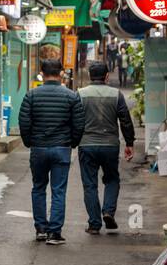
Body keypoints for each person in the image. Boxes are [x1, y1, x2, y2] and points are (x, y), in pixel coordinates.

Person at [18, 58, 83, 245]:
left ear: (42, 73)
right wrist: (72, 143)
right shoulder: (71, 96)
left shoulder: (31, 95)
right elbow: (78, 125)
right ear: (61, 73)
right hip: (61, 148)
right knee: (58, 191)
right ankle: (54, 233)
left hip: (38, 148)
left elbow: (24, 122)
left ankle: (40, 229)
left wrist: (30, 142)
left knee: (38, 188)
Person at [77, 61, 136, 235]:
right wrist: (130, 143)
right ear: (107, 76)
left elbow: (74, 119)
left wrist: (74, 140)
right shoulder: (116, 94)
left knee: (90, 185)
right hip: (110, 145)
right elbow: (125, 120)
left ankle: (94, 224)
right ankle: (108, 211)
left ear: (89, 76)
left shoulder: (80, 94)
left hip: (87, 144)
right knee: (112, 179)